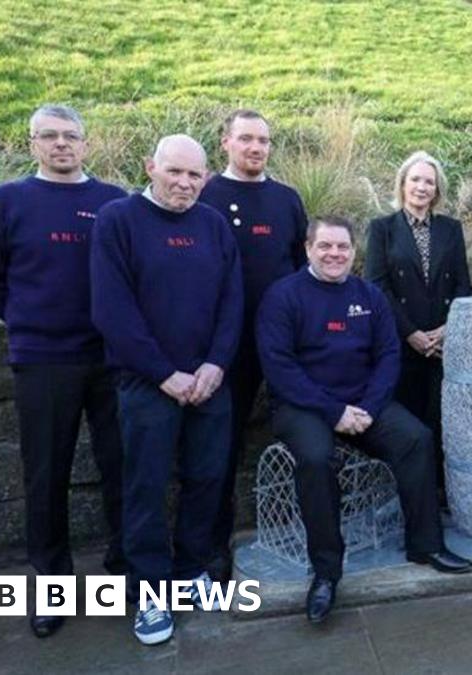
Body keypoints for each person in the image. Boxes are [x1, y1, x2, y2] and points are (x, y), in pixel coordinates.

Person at [257, 215, 472, 624]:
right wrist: (333, 412)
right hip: (303, 408)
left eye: (342, 247)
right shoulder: (283, 296)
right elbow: (280, 368)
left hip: (363, 403)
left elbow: (389, 355)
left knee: (416, 438)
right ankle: (326, 571)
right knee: (318, 458)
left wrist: (369, 408)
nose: (334, 254)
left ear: (354, 252)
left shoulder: (368, 295)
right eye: (325, 246)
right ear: (308, 248)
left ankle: (425, 544)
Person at [0, 105, 127, 639]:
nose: (61, 144)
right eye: (49, 136)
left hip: (111, 358)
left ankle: (124, 569)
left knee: (122, 466)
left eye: (71, 136)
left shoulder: (113, 203)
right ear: (32, 143)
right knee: (46, 474)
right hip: (42, 361)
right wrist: (27, 319)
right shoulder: (6, 202)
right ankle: (53, 584)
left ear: (86, 143)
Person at [90, 135, 243, 646]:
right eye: (174, 172)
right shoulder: (118, 220)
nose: (184, 183)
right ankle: (152, 593)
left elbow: (232, 300)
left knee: (205, 478)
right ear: (150, 167)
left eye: (195, 175)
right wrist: (164, 373)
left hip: (208, 382)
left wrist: (216, 364)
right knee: (146, 487)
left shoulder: (213, 225)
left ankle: (191, 570)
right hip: (146, 383)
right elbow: (112, 310)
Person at [197, 109, 308, 578]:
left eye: (263, 140)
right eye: (246, 139)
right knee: (220, 447)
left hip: (284, 343)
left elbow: (303, 267)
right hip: (228, 346)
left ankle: (312, 536)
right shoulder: (205, 195)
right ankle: (214, 550)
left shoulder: (286, 199)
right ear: (225, 143)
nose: (256, 148)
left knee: (309, 438)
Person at [365, 152, 472, 496]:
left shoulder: (450, 229)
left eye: (429, 181)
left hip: (443, 345)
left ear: (437, 188)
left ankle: (442, 498)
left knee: (442, 423)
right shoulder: (382, 229)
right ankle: (407, 498)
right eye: (415, 179)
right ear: (402, 183)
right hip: (401, 343)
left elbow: (462, 286)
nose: (422, 187)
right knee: (407, 425)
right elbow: (377, 287)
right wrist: (410, 333)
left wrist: (446, 329)